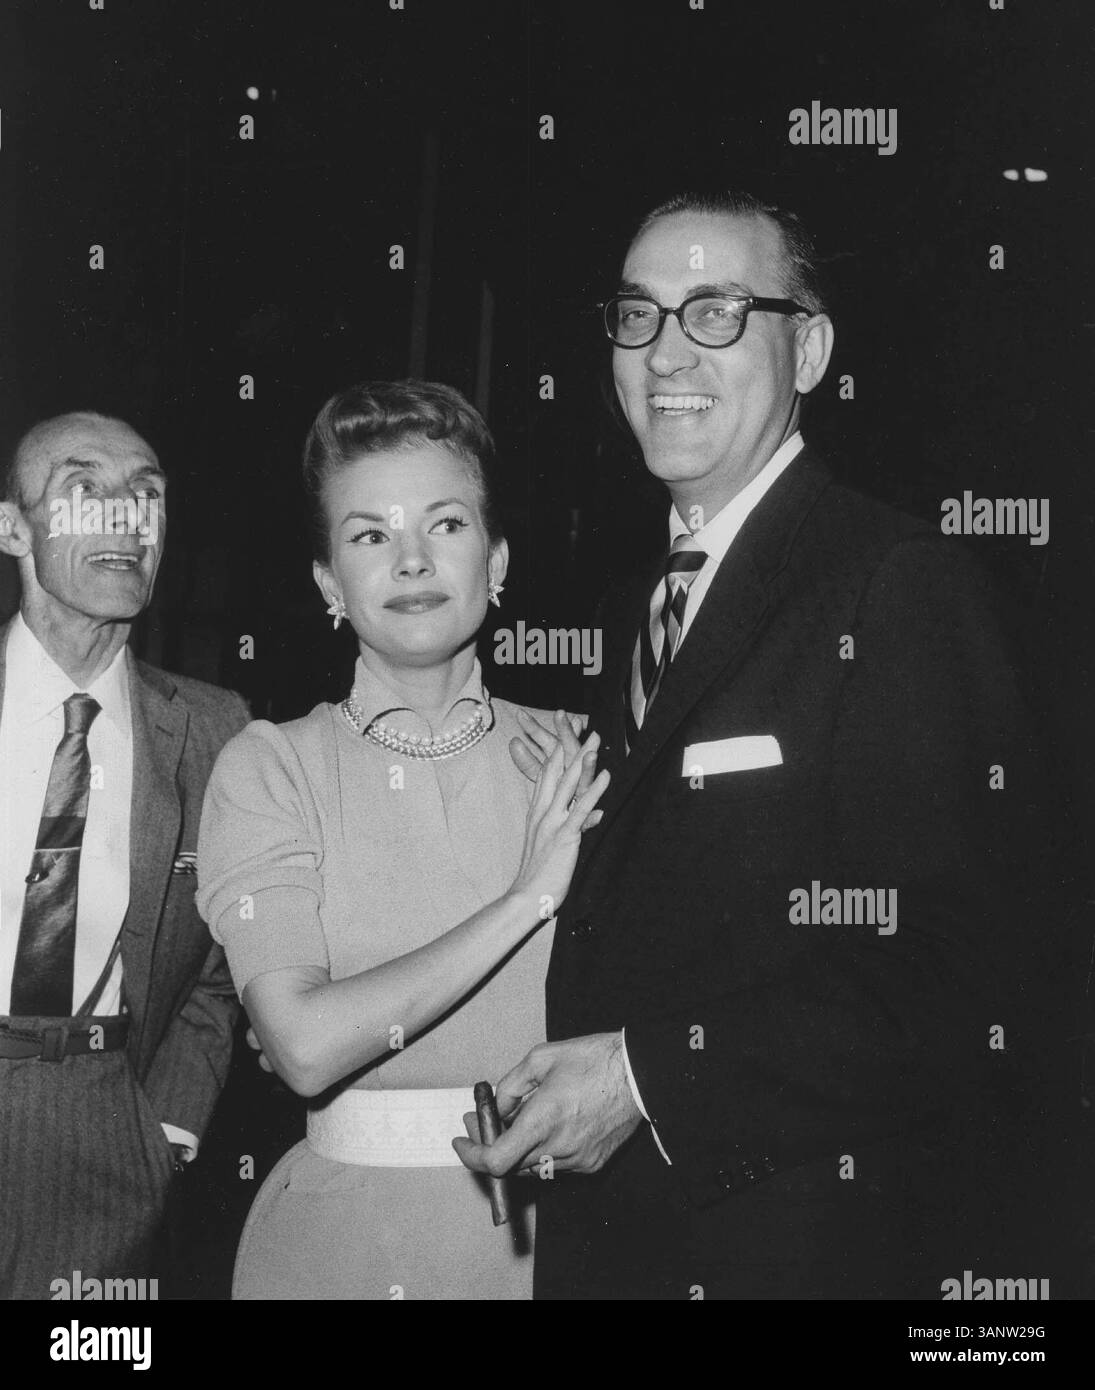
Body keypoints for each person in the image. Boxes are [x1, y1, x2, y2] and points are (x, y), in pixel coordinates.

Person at [454, 190, 1056, 1299]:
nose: (666, 351)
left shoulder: (896, 582)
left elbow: (956, 975)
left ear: (811, 348)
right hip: (608, 1250)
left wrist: (643, 1080)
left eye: (716, 311)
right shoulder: (628, 607)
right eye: (638, 315)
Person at [195, 380, 608, 1300]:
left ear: (497, 560)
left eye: (446, 525)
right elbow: (301, 1044)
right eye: (370, 535)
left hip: (573, 1238)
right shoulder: (272, 769)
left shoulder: (578, 755)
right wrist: (527, 898)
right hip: (346, 1248)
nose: (412, 561)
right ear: (326, 581)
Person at [0, 411, 247, 1300]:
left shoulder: (217, 729)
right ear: (12, 527)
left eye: (146, 494)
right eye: (83, 491)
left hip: (110, 1129)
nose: (124, 519)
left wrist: (167, 1130)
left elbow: (224, 959)